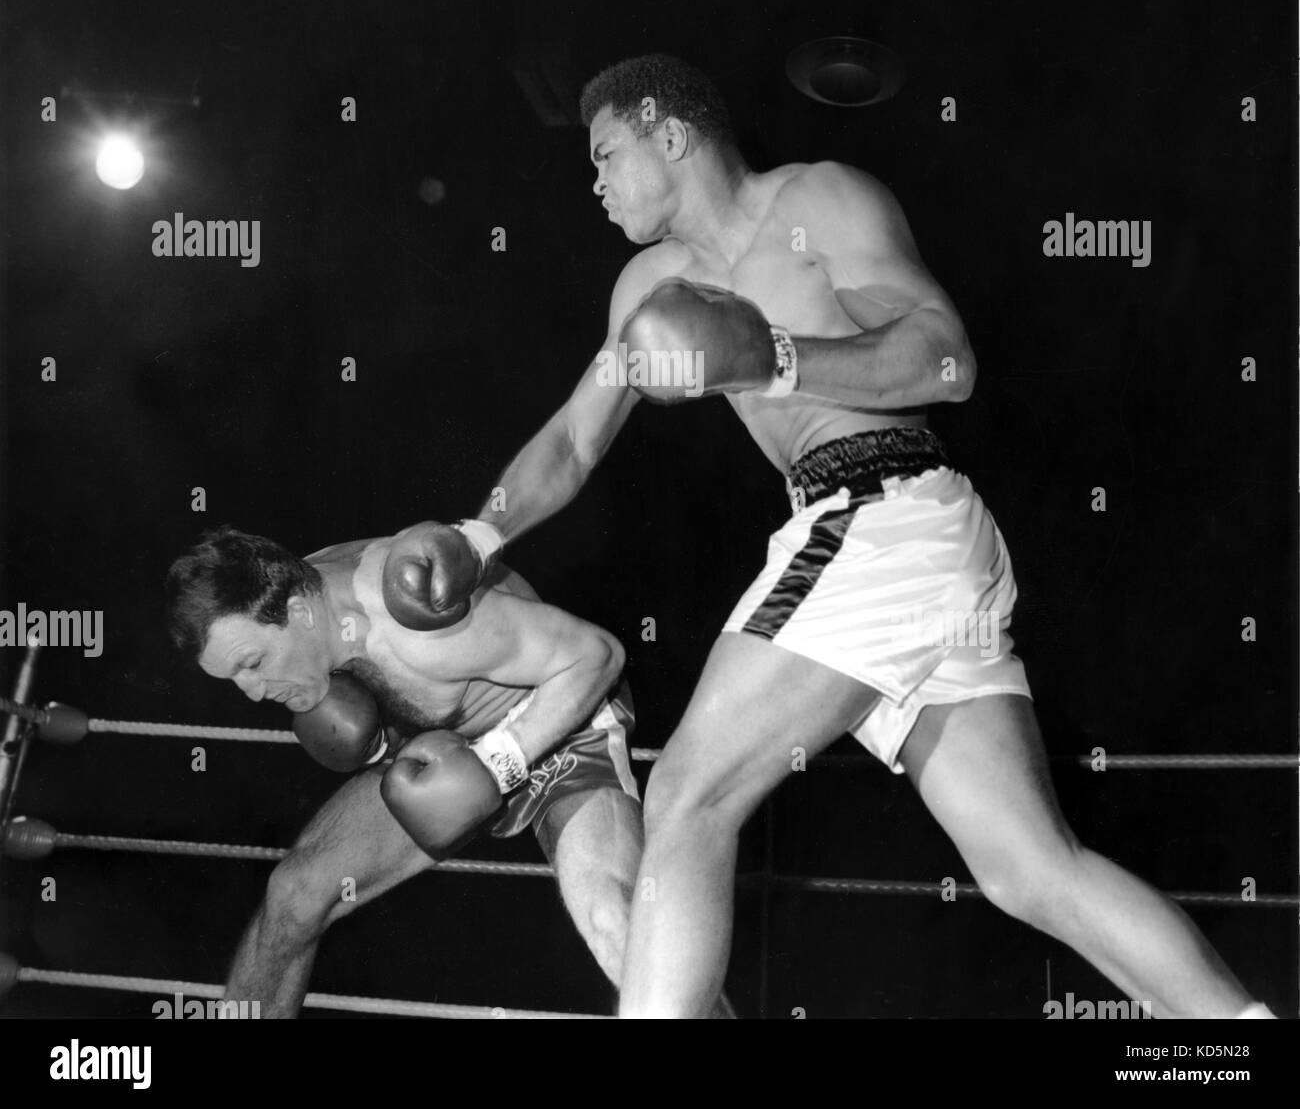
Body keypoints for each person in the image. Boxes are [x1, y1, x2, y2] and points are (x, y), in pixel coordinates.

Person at [422, 53, 1275, 1020]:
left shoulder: (819, 201)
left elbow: (947, 359)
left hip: (883, 514)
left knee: (690, 793)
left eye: (607, 152)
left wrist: (774, 355)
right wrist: (478, 533)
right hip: (890, 554)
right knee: (1031, 868)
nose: (596, 180)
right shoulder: (650, 286)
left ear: (670, 131)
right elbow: (575, 442)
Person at [163, 522, 640, 1017]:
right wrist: (377, 741)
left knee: (613, 917)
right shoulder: (292, 589)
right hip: (438, 753)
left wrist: (496, 763)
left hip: (557, 721)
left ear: (300, 613)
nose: (253, 691)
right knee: (295, 893)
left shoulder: (414, 626)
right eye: (234, 678)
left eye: (253, 663)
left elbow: (597, 655)